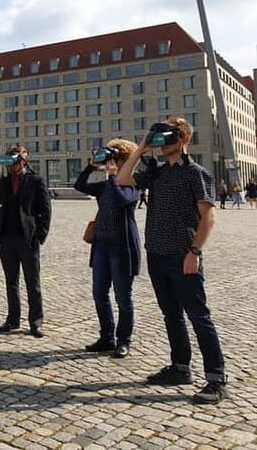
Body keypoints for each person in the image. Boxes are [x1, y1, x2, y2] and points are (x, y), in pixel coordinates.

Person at [118, 117, 227, 404]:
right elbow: (123, 179)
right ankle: (181, 368)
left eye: (169, 137)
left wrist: (195, 252)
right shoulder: (158, 173)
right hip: (156, 253)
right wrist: (141, 148)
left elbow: (208, 216)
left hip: (182, 254)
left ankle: (216, 379)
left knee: (198, 316)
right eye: (161, 138)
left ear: (184, 140)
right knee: (171, 315)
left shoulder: (196, 173)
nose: (164, 143)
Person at [74, 140, 141, 359]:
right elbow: (80, 186)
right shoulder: (105, 186)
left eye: (118, 160)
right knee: (99, 294)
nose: (113, 164)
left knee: (123, 297)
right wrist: (92, 166)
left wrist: (113, 177)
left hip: (122, 249)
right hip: (101, 245)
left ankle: (124, 341)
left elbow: (123, 201)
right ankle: (107, 337)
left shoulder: (132, 184)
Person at [0, 146, 52, 338]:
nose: (10, 167)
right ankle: (12, 319)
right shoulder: (2, 183)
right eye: (8, 163)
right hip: (6, 239)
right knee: (11, 282)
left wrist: (40, 235)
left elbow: (45, 210)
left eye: (14, 163)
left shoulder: (36, 181)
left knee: (32, 282)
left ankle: (36, 321)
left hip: (28, 239)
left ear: (23, 162)